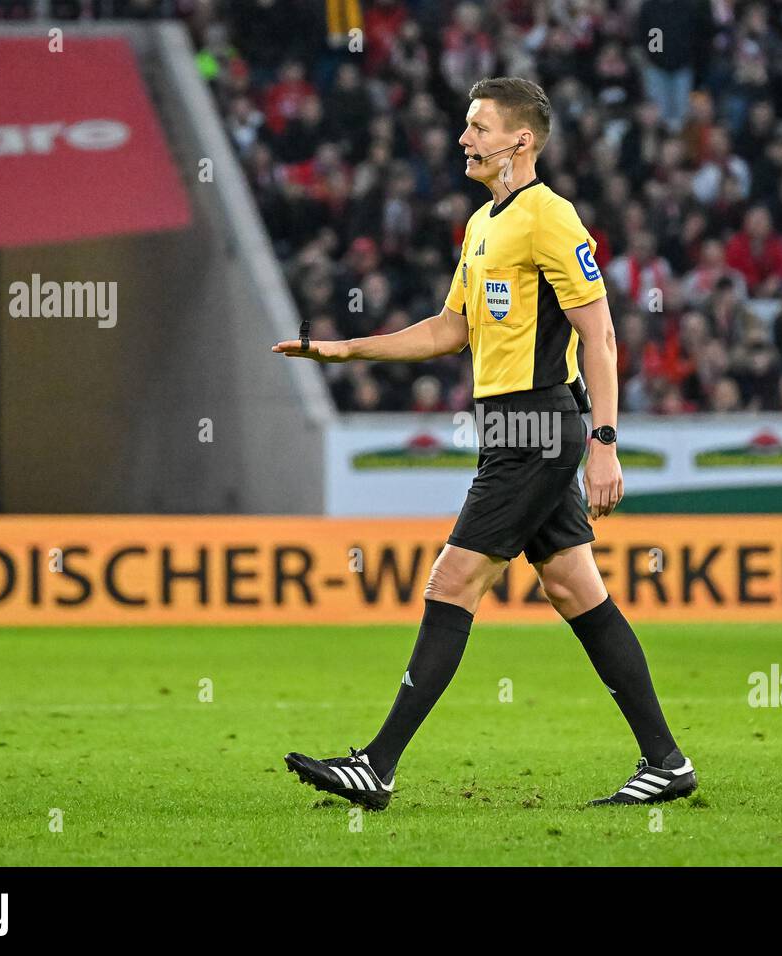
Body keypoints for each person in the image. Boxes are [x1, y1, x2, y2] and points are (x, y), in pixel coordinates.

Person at [273, 76, 696, 810]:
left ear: (519, 140)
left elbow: (600, 334)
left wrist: (605, 442)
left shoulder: (550, 217)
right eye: (466, 126)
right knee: (572, 586)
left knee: (452, 582)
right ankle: (666, 761)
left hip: (538, 425)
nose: (464, 138)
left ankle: (376, 765)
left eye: (478, 126)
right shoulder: (481, 224)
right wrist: (344, 352)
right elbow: (449, 329)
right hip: (508, 426)